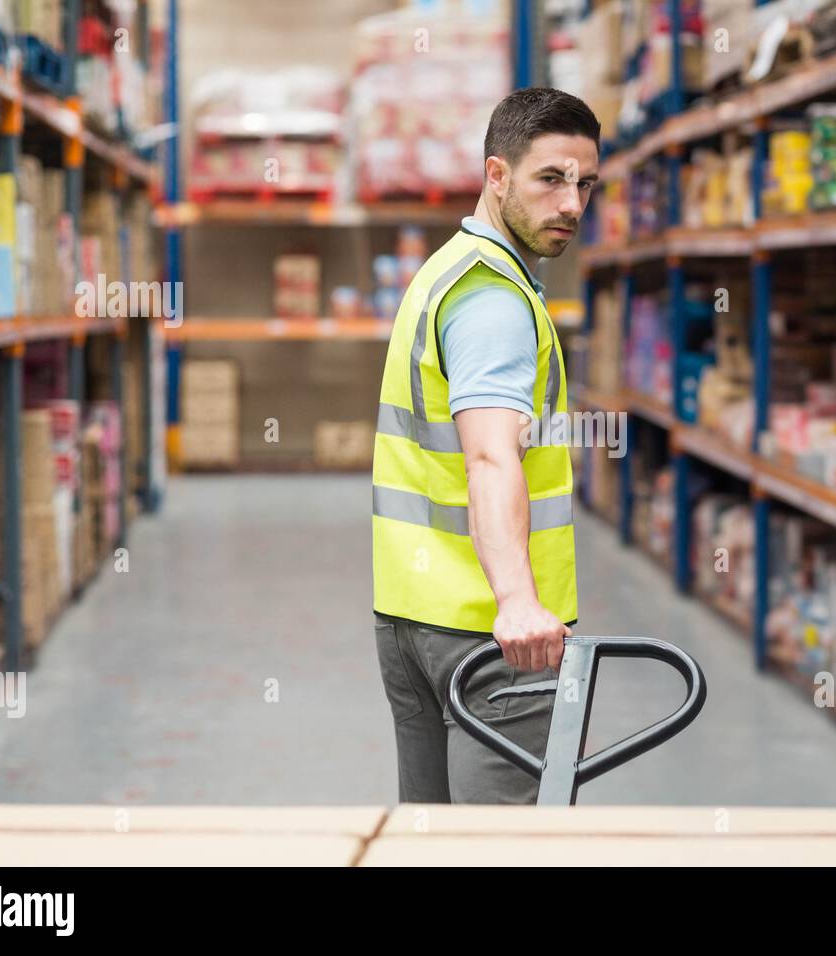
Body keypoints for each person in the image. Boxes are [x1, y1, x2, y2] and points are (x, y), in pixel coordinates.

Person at [371, 88, 600, 804]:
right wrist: (518, 601)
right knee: (498, 848)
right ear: (496, 176)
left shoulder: (446, 269)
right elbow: (491, 455)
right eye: (550, 180)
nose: (572, 205)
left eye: (585, 184)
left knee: (431, 841)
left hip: (413, 619)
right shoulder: (495, 301)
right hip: (493, 643)